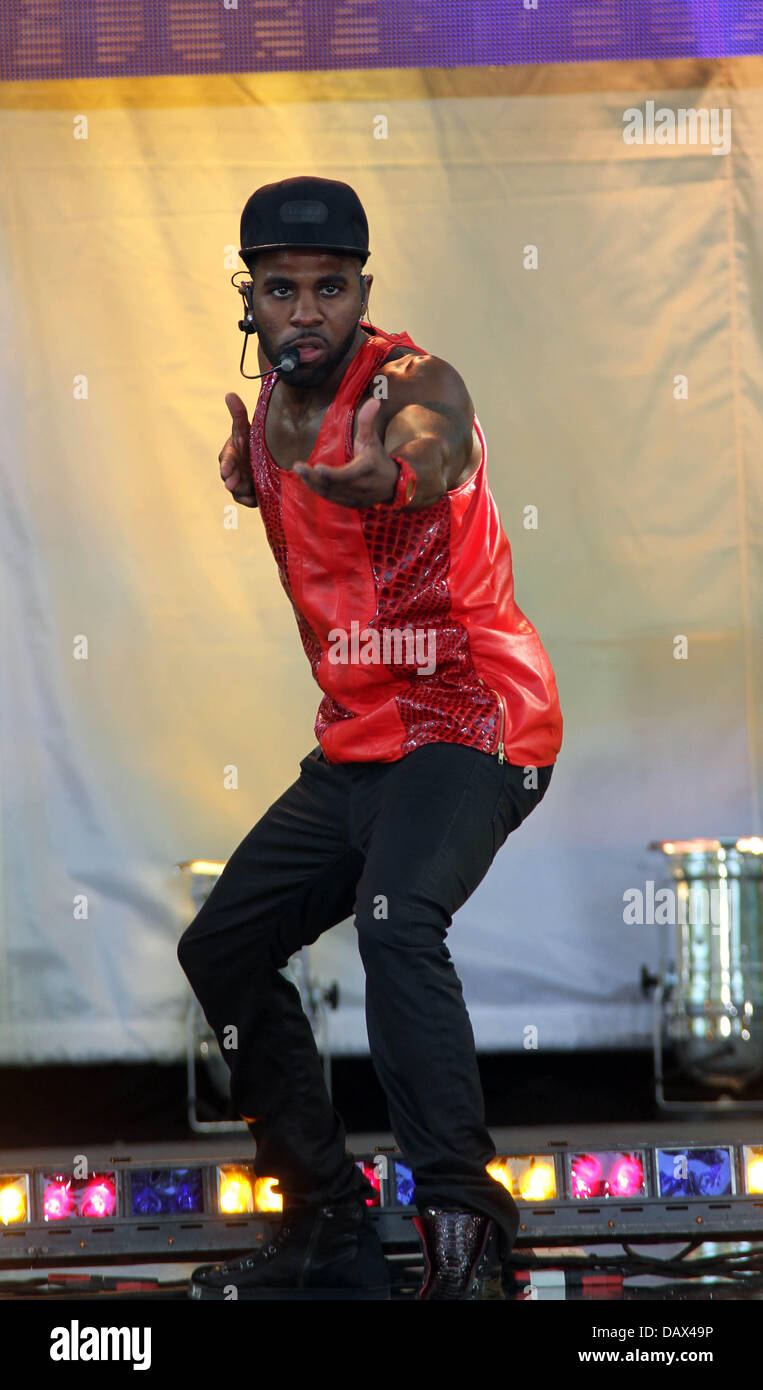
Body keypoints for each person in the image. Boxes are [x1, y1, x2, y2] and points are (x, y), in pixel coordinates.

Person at [178, 175, 563, 1301]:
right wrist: (258, 479)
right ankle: (324, 1226)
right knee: (223, 949)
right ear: (249, 296)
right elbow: (293, 503)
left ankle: (464, 1231)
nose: (308, 312)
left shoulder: (407, 382)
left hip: (474, 718)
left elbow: (431, 440)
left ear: (363, 292)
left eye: (331, 289)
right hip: (359, 741)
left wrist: (399, 470)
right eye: (282, 289)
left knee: (397, 922)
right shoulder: (272, 421)